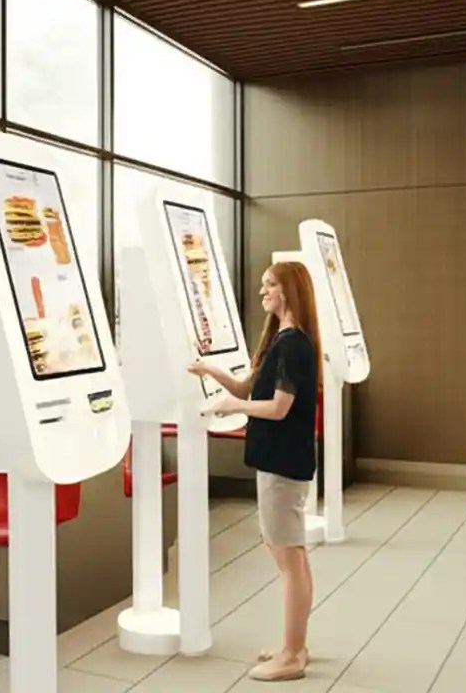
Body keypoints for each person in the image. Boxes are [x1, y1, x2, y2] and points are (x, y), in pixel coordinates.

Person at [188, 261, 322, 682]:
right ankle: (294, 645)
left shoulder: (292, 345)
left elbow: (278, 408)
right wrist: (211, 371)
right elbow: (249, 388)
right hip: (281, 462)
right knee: (293, 557)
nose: (262, 291)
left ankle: (292, 655)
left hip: (282, 465)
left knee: (288, 560)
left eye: (269, 285)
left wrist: (234, 407)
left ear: (288, 291)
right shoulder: (284, 341)